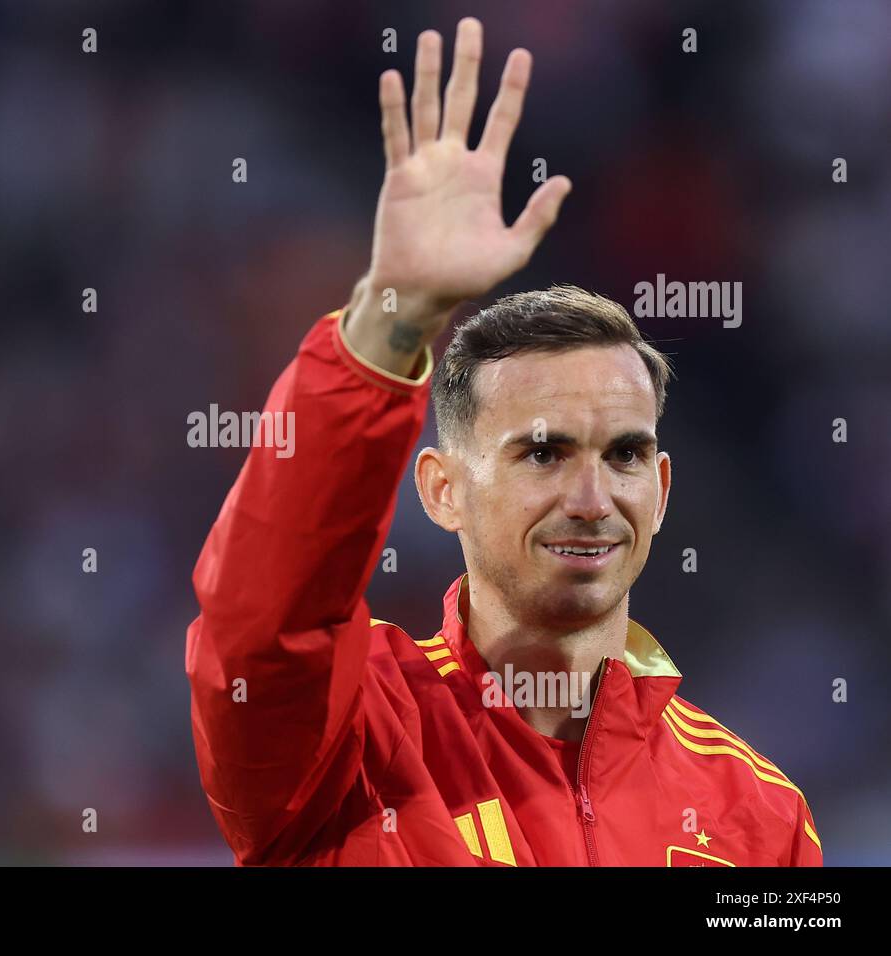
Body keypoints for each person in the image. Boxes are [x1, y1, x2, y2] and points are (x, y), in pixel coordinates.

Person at [184, 19, 821, 866]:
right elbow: (261, 631)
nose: (593, 500)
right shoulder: (353, 744)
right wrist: (394, 314)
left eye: (625, 454)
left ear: (662, 489)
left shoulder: (757, 815)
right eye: (543, 453)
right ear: (443, 489)